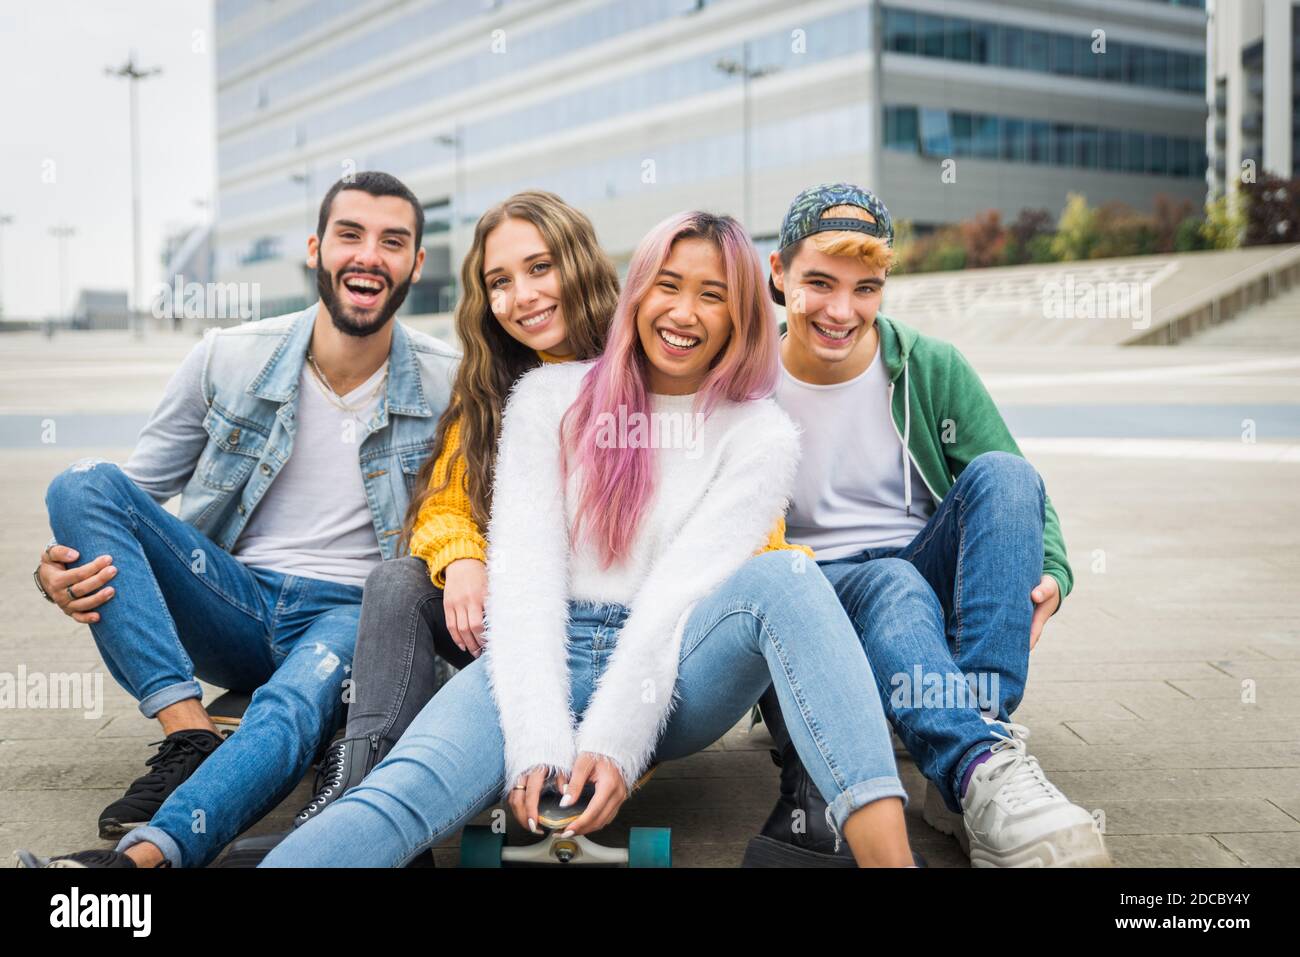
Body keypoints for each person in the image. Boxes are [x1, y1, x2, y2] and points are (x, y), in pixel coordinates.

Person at [263, 210, 915, 867]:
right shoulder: (549, 397)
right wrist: (537, 738)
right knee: (395, 798)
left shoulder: (762, 435)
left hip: (679, 665)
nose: (683, 312)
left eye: (711, 294)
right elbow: (523, 581)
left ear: (741, 312)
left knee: (788, 577)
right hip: (543, 645)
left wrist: (616, 741)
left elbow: (672, 602)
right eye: (667, 284)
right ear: (637, 292)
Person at [17, 171, 458, 869]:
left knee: (289, 705)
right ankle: (189, 733)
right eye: (350, 235)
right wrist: (54, 574)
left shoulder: (449, 381)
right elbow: (126, 500)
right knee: (79, 484)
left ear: (416, 264)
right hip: (234, 598)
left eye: (392, 241)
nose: (369, 255)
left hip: (354, 617)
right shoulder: (228, 356)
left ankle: (144, 861)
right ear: (316, 248)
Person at [746, 182, 1110, 868]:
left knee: (1006, 476)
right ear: (778, 273)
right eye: (819, 283)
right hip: (810, 595)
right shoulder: (745, 375)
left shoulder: (929, 365)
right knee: (890, 580)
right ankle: (973, 763)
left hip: (921, 578)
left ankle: (976, 759)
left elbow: (1024, 491)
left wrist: (1055, 575)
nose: (841, 310)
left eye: (866, 288)